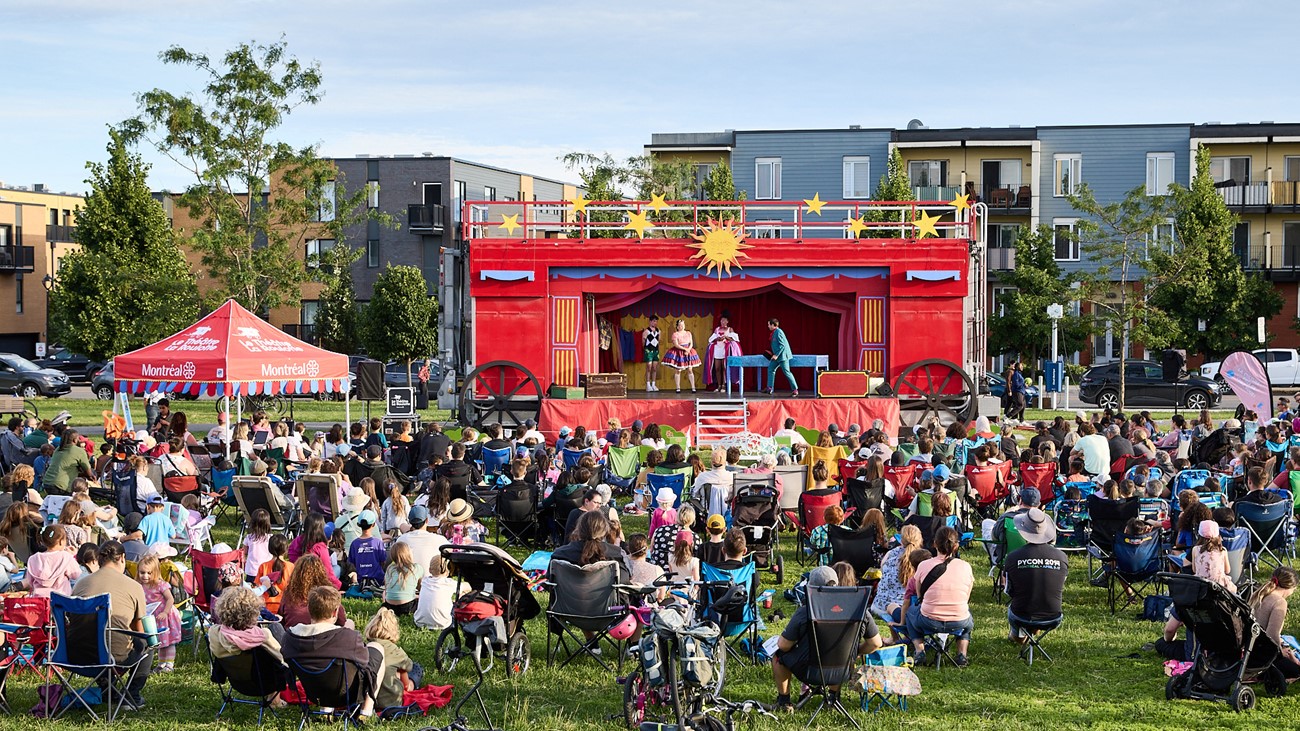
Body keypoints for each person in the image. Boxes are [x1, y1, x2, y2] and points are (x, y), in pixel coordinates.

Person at [770, 565, 882, 712]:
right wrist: (853, 653)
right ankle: (833, 698)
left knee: (778, 656)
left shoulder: (805, 611)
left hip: (810, 671)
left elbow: (784, 645)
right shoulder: (859, 609)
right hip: (844, 671)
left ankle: (784, 702)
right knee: (838, 655)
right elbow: (876, 643)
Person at [281, 585, 386, 719]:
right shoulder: (347, 637)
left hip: (313, 694)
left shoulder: (291, 637)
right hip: (346, 694)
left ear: (309, 610)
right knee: (376, 647)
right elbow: (364, 662)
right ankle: (366, 711)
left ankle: (326, 710)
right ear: (335, 612)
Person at [72, 541, 151, 709]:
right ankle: (132, 695)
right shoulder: (133, 586)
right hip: (112, 658)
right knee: (147, 645)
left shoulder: (81, 584)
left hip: (74, 656)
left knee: (99, 637)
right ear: (122, 558)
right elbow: (139, 630)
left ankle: (109, 691)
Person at [906, 526, 975, 667]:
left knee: (910, 613)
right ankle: (962, 654)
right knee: (968, 623)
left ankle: (920, 651)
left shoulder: (924, 565)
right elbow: (966, 596)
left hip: (928, 620)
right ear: (956, 546)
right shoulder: (966, 566)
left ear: (934, 544)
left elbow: (920, 597)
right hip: (959, 620)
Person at [1003, 508, 1068, 645]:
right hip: (1054, 616)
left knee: (1015, 610)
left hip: (1020, 615)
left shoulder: (1013, 557)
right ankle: (1031, 631)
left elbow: (1008, 590)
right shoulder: (1061, 557)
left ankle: (1019, 636)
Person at [871, 524, 923, 642]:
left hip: (880, 602)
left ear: (901, 540)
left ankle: (895, 637)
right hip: (903, 603)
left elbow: (882, 568)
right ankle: (908, 635)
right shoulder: (921, 557)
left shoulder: (891, 553)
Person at [364, 607, 422, 711]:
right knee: (415, 667)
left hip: (366, 700)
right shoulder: (396, 652)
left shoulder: (365, 648)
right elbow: (406, 675)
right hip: (391, 701)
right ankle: (412, 684)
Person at [135, 553, 183, 672]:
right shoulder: (139, 586)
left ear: (155, 573)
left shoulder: (160, 585)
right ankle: (161, 664)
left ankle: (169, 664)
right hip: (153, 617)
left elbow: (170, 598)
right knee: (160, 640)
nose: (145, 576)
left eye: (149, 573)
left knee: (169, 640)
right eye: (142, 572)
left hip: (165, 616)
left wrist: (166, 612)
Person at [1252, 566, 1300, 682]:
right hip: (1263, 656)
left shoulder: (1259, 594)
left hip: (1251, 650)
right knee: (1297, 669)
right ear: (1290, 587)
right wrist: (1281, 653)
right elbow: (1272, 635)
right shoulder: (1279, 602)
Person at [281, 554, 348, 629]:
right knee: (349, 623)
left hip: (293, 636)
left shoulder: (289, 594)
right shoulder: (328, 594)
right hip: (324, 636)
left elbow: (282, 619)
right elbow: (342, 621)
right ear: (322, 572)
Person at [287, 514, 342, 589]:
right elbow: (328, 572)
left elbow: (292, 560)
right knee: (337, 568)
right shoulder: (320, 547)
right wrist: (339, 586)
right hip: (316, 583)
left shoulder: (296, 541)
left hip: (297, 580)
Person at [24, 525, 81, 597]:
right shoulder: (65, 556)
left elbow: (29, 581)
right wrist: (73, 556)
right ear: (61, 541)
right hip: (61, 600)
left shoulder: (33, 558)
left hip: (40, 600)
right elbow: (76, 575)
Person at [394, 505, 449, 576]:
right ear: (427, 520)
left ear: (410, 522)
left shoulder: (401, 539)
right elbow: (453, 551)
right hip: (430, 581)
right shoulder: (439, 539)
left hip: (408, 581)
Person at [42, 428, 97, 495]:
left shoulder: (58, 449)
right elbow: (89, 473)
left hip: (47, 482)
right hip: (61, 485)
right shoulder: (79, 451)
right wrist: (92, 477)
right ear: (75, 440)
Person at [414, 555, 457, 632]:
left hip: (419, 622)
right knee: (457, 606)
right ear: (447, 572)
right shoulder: (449, 583)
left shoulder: (424, 581)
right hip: (443, 624)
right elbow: (467, 587)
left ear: (430, 570)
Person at [382, 541, 425, 615]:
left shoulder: (390, 568)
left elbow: (386, 588)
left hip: (389, 606)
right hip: (408, 606)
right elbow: (420, 587)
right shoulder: (416, 568)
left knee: (384, 592)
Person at [254, 534, 293, 615]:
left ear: (269, 549)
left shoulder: (263, 566)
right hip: (286, 607)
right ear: (286, 549)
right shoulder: (291, 567)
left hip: (266, 607)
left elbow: (258, 587)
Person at [348, 511, 387, 588]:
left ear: (359, 524)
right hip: (378, 580)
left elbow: (352, 563)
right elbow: (383, 561)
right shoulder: (378, 542)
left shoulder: (354, 544)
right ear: (373, 524)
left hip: (360, 580)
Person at [662, 319, 701, 393]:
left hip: (688, 351)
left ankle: (693, 387)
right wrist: (684, 349)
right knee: (678, 370)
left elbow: (691, 343)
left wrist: (688, 349)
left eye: (683, 325)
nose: (682, 326)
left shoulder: (688, 333)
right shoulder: (675, 334)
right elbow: (676, 345)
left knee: (690, 369)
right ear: (677, 326)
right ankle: (678, 388)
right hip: (679, 352)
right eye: (680, 325)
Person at [706, 314, 742, 393]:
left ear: (727, 321)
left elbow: (735, 339)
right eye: (721, 320)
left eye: (724, 320)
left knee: (724, 367)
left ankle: (724, 385)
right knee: (717, 368)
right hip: (717, 349)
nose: (723, 322)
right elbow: (711, 338)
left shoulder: (730, 329)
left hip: (725, 350)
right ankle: (718, 385)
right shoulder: (717, 329)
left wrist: (726, 337)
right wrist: (717, 338)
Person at [763, 318, 797, 397]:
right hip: (777, 356)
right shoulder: (774, 333)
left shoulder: (779, 332)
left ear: (773, 325)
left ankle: (795, 389)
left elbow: (782, 345)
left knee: (786, 372)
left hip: (782, 357)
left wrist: (776, 355)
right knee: (771, 369)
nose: (768, 326)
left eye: (769, 324)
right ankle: (769, 388)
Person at [666, 529, 700, 598]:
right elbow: (696, 581)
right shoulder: (694, 561)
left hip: (674, 589)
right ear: (691, 544)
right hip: (688, 590)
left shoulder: (670, 558)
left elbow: (672, 572)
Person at [243, 508, 273, 582]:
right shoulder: (270, 538)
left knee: (250, 591)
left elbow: (244, 552)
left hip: (251, 571)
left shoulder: (249, 537)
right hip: (266, 570)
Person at [643, 315, 663, 392]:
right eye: (654, 321)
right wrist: (646, 349)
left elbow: (658, 340)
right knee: (649, 367)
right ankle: (648, 384)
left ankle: (653, 384)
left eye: (656, 321)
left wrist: (657, 350)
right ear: (650, 321)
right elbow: (643, 341)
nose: (655, 323)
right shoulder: (646, 331)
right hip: (649, 350)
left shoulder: (658, 331)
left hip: (656, 351)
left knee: (654, 368)